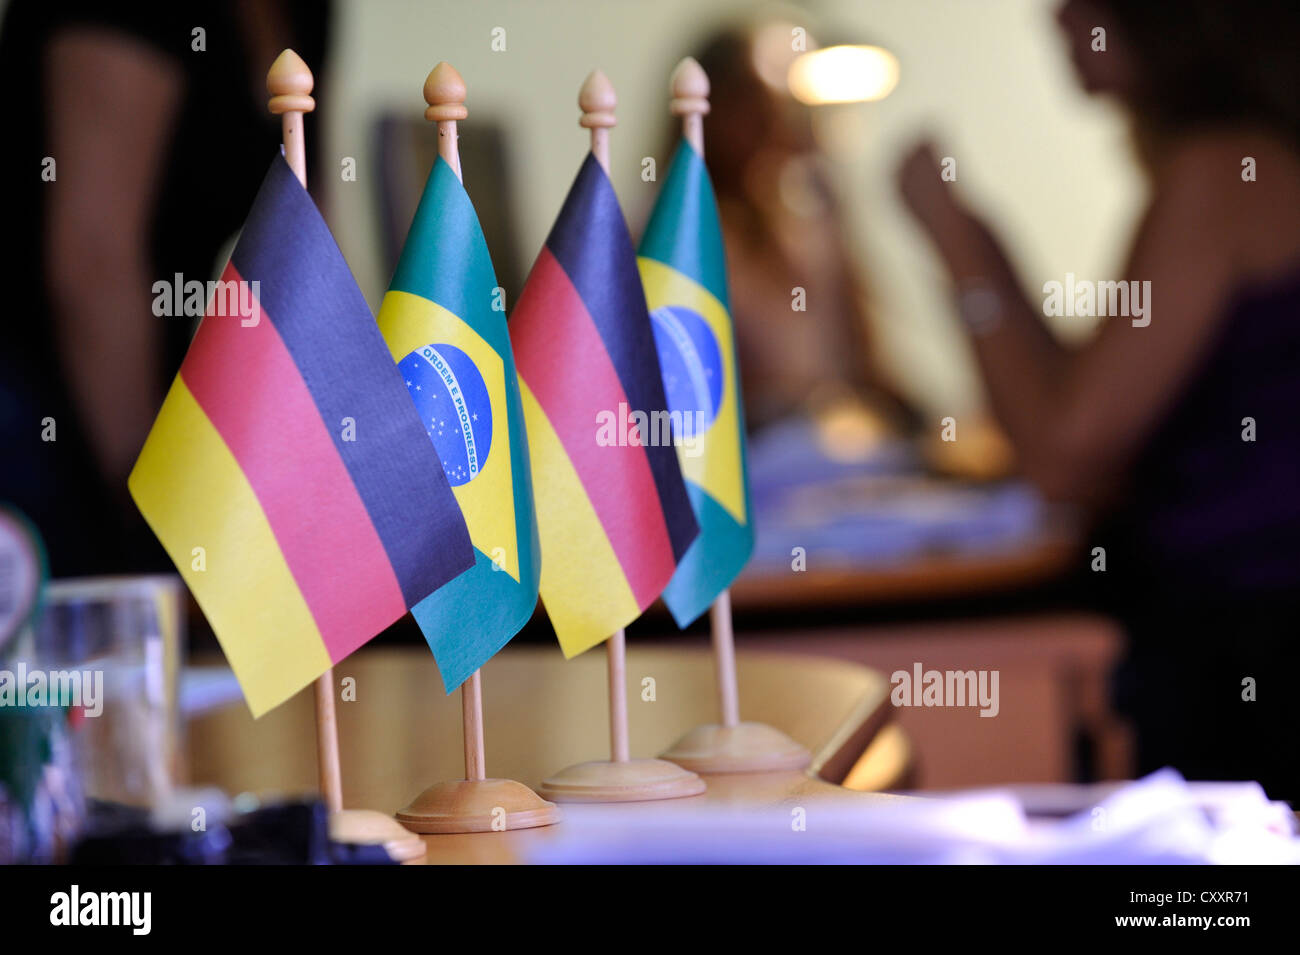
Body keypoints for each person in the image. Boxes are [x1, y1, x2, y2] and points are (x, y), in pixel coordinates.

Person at [897, 0, 1300, 800]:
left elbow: (1064, 451)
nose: (1058, 19)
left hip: (1257, 638)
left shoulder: (1221, 168)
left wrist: (958, 247)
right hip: (1246, 627)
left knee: (1200, 914)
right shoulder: (1239, 160)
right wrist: (987, 251)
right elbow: (1100, 406)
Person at [0, 0, 330, 578]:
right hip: (46, 419)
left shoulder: (309, 11)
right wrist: (161, 519)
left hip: (164, 401)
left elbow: (309, 250)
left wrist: (331, 482)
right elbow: (91, 265)